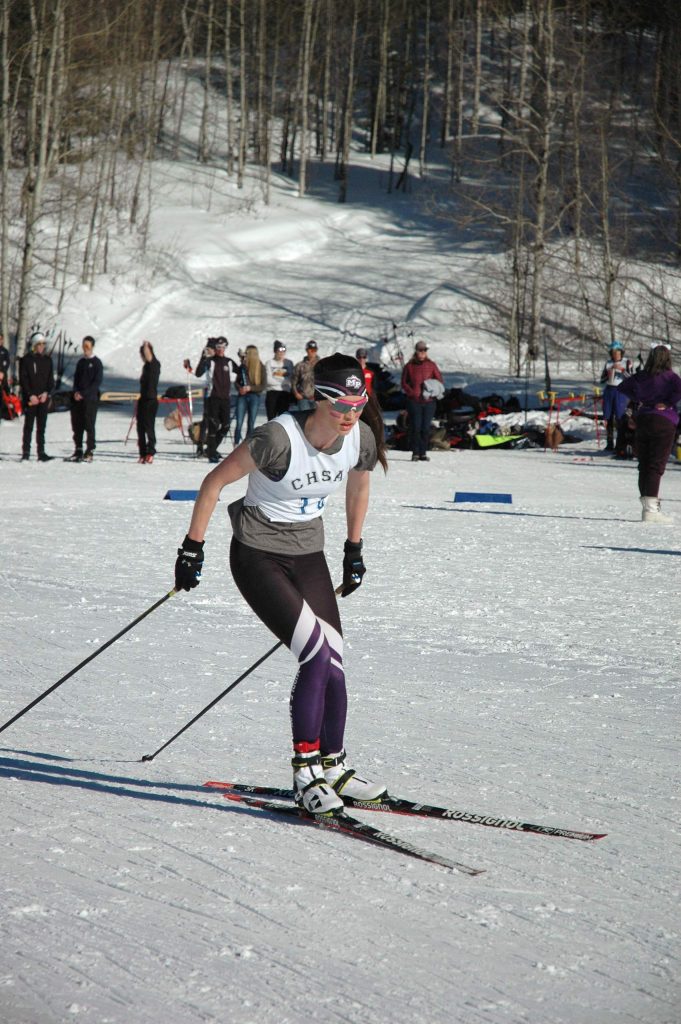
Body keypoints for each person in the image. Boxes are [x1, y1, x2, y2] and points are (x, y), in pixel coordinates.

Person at [174, 353, 388, 817]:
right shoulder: (278, 437)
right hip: (257, 555)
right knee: (315, 655)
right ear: (319, 399)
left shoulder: (360, 438)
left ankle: (333, 766)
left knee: (335, 661)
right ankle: (305, 773)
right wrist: (192, 548)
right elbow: (213, 483)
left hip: (308, 554)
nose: (350, 415)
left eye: (358, 405)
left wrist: (354, 549)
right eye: (341, 405)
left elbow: (359, 486)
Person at [618, 343, 681, 524]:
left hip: (643, 419)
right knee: (655, 465)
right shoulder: (671, 378)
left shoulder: (641, 376)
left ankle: (647, 508)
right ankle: (652, 510)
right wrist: (668, 402)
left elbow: (622, 387)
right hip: (664, 421)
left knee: (644, 464)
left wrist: (640, 399)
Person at [195, 336, 238, 463]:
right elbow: (198, 373)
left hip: (225, 399)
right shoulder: (210, 361)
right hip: (213, 398)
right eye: (218, 347)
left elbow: (242, 372)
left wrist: (244, 360)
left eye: (223, 347)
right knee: (213, 426)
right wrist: (203, 357)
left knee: (226, 425)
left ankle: (210, 449)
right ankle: (212, 453)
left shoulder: (229, 362)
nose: (220, 349)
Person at [400, 340, 444, 462]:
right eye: (420, 350)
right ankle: (415, 453)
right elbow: (404, 383)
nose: (422, 352)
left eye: (424, 350)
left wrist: (433, 390)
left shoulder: (431, 365)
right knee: (416, 427)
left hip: (429, 401)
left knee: (425, 428)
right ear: (416, 351)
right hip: (414, 401)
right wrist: (411, 392)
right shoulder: (409, 366)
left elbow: (439, 380)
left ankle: (423, 453)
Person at [66, 336, 103, 462]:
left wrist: (84, 393)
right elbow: (76, 379)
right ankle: (78, 449)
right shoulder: (81, 362)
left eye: (87, 346)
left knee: (89, 424)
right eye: (83, 346)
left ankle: (90, 450)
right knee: (77, 425)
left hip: (90, 399)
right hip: (78, 400)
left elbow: (96, 382)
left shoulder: (97, 363)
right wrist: (76, 392)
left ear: (92, 347)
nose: (85, 349)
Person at [19, 332, 55, 461]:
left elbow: (50, 380)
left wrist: (46, 393)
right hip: (31, 399)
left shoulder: (47, 360)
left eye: (43, 344)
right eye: (39, 344)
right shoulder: (26, 360)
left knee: (41, 426)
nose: (41, 346)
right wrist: (30, 395)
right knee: (28, 426)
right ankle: (26, 452)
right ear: (34, 345)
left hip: (43, 398)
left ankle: (41, 452)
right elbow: (23, 379)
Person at [599, 341, 633, 454]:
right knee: (608, 416)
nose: (616, 355)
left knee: (620, 417)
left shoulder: (627, 362)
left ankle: (620, 443)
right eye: (613, 353)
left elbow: (631, 378)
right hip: (609, 390)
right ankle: (609, 443)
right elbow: (602, 380)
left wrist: (622, 370)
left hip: (621, 391)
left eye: (618, 352)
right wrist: (608, 373)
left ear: (621, 353)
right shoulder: (608, 363)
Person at [234, 344, 266, 444]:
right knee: (239, 422)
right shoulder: (243, 366)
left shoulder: (260, 367)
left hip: (254, 396)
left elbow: (263, 385)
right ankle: (236, 443)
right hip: (242, 396)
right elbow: (237, 382)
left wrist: (251, 388)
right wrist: (240, 388)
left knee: (251, 423)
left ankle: (247, 445)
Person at [136, 340, 160, 464]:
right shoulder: (145, 367)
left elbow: (149, 355)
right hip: (143, 399)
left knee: (149, 426)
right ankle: (142, 453)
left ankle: (150, 452)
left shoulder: (154, 364)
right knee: (140, 427)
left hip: (151, 400)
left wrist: (146, 346)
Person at [265, 340, 294, 420]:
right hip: (272, 392)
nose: (281, 353)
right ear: (275, 351)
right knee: (271, 418)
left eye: (284, 350)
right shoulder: (269, 363)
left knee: (282, 419)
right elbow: (268, 380)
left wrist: (279, 381)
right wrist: (283, 382)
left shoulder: (289, 363)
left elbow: (290, 379)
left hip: (284, 393)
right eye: (279, 350)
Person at [291, 339, 319, 411]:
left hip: (317, 399)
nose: (312, 352)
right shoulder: (300, 365)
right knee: (305, 417)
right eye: (310, 350)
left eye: (314, 350)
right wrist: (296, 393)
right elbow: (293, 381)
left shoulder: (322, 365)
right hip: (303, 398)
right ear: (307, 350)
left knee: (317, 417)